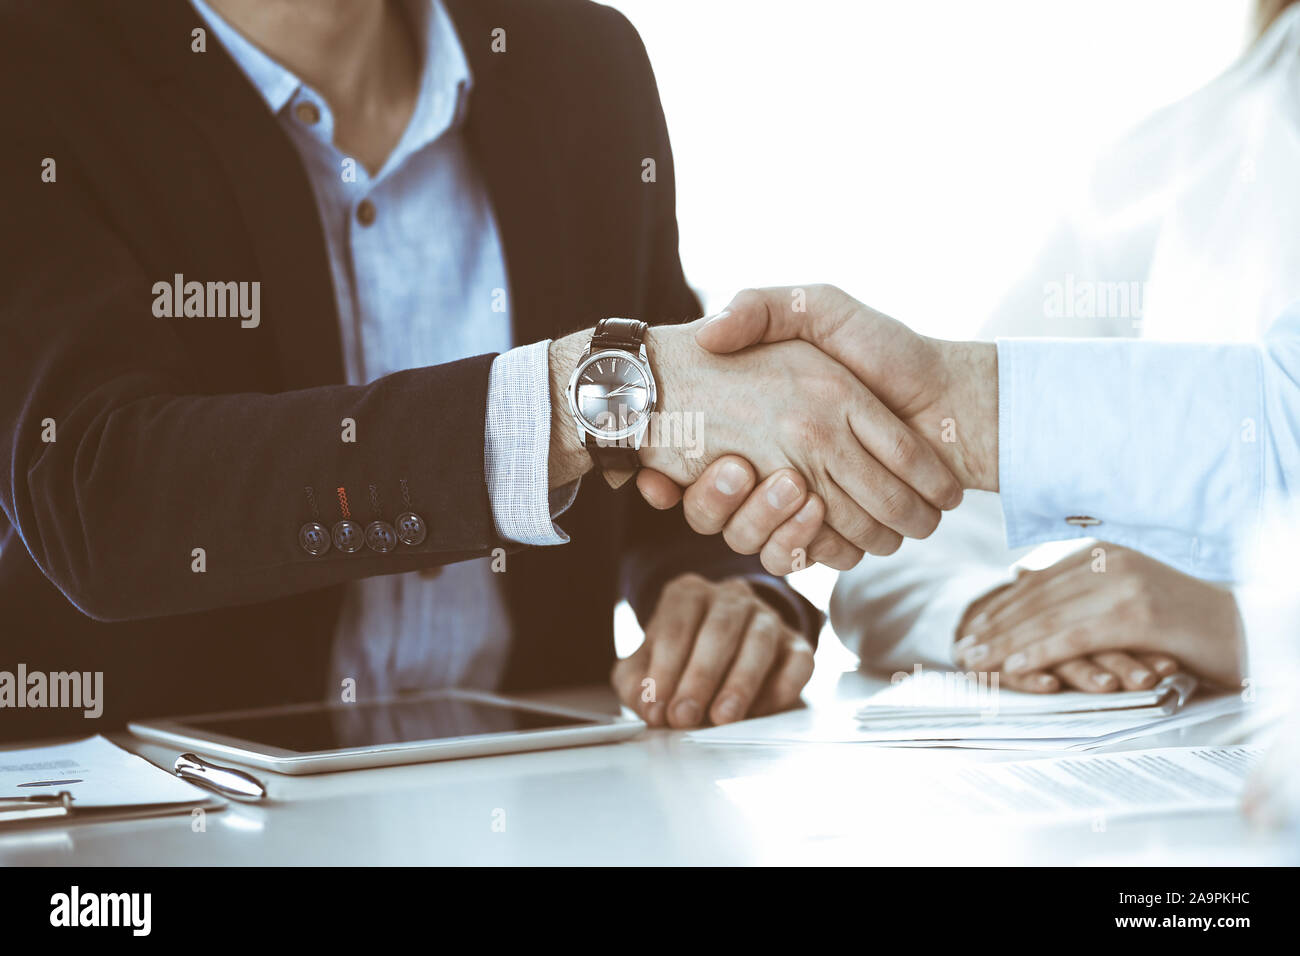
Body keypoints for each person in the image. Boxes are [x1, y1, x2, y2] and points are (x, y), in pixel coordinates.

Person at [1, 0, 966, 739]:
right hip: (149, 820)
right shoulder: (31, 67)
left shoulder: (581, 63)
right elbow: (100, 491)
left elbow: (666, 451)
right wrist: (574, 398)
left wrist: (729, 599)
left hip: (533, 800)